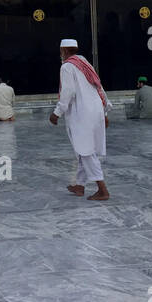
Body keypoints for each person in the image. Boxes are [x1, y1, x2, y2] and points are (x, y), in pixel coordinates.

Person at [50, 37, 111, 201]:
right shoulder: (85, 63)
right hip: (95, 110)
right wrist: (104, 112)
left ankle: (102, 189)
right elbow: (99, 87)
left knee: (86, 150)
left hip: (82, 113)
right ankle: (80, 185)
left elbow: (68, 92)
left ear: (64, 51)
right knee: (83, 149)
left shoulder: (68, 66)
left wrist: (57, 112)